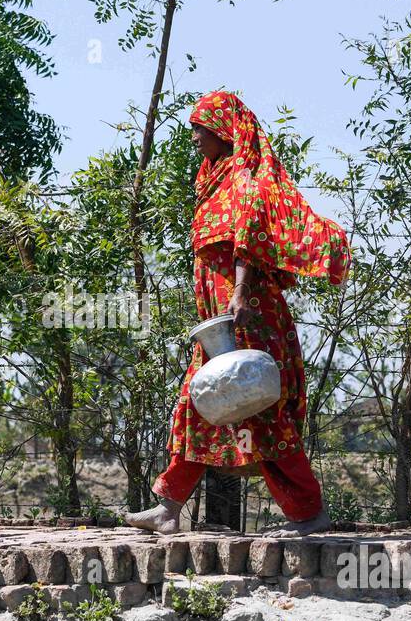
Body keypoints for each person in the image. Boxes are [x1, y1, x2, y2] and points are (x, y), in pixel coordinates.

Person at [124, 90, 350, 536]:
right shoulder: (211, 180)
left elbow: (251, 238)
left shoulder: (244, 181)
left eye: (200, 129)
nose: (194, 138)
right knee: (199, 403)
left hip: (249, 317)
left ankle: (309, 514)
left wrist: (242, 291)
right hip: (219, 321)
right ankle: (168, 508)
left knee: (261, 412)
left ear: (223, 131)